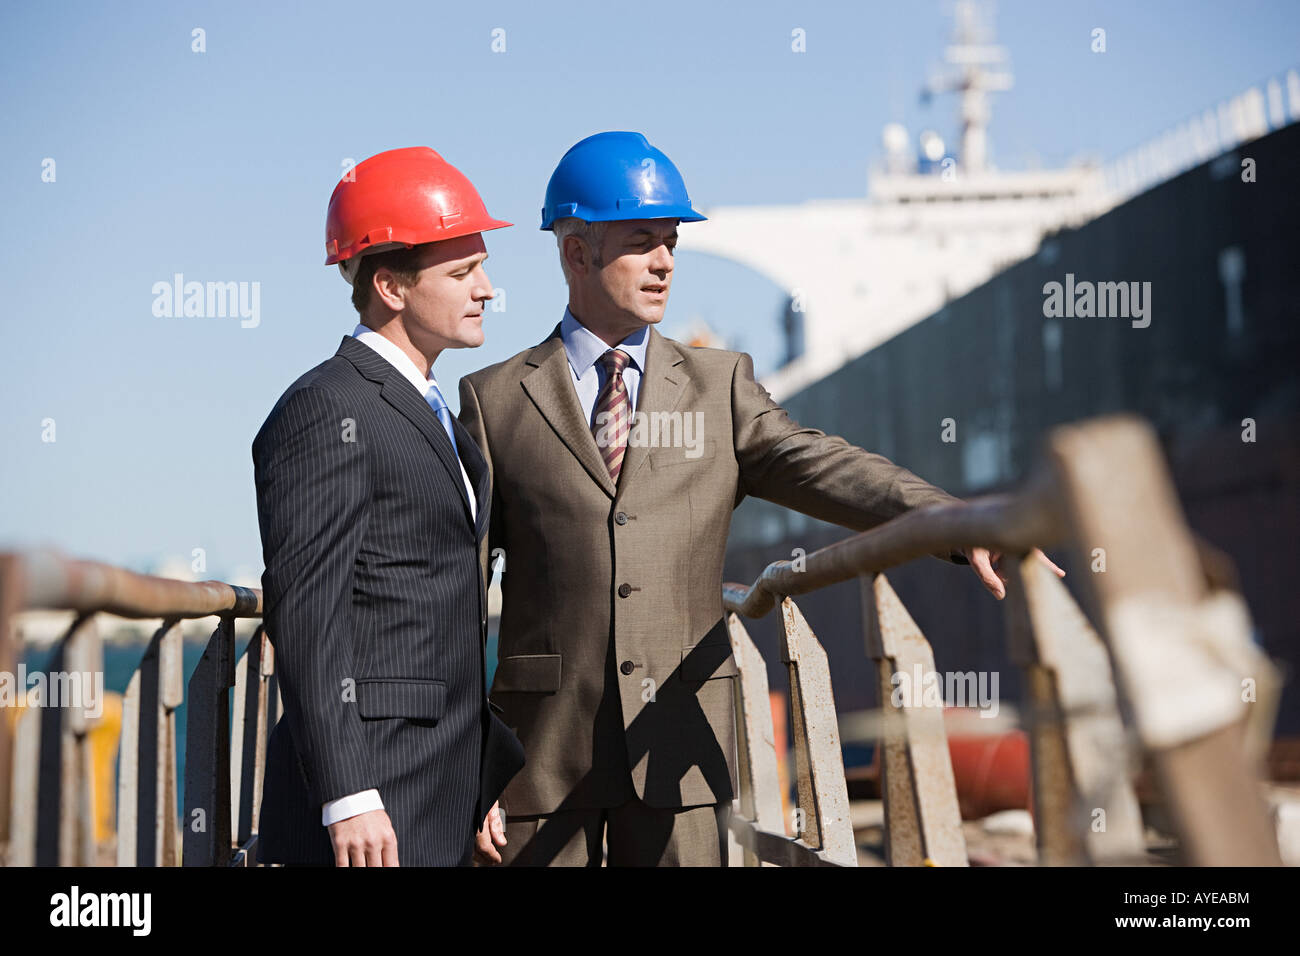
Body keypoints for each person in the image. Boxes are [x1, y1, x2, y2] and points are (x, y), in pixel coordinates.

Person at [459, 131, 1062, 866]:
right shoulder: (494, 401)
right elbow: (459, 591)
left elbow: (819, 466)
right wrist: (472, 764)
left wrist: (952, 521)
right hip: (541, 757)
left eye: (672, 242)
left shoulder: (721, 387)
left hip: (679, 742)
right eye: (643, 241)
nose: (665, 263)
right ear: (576, 252)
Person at [253, 146, 523, 867]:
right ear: (391, 286)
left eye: (482, 267)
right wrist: (347, 794)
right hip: (375, 794)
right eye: (462, 272)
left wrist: (475, 780)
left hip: (437, 784)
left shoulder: (438, 415)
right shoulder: (327, 408)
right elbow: (308, 611)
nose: (488, 289)